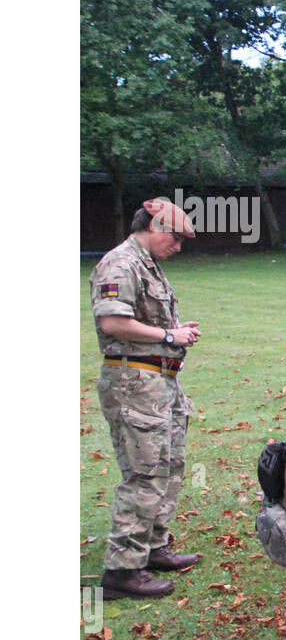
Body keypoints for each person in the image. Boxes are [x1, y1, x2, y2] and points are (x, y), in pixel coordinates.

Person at [90, 198, 203, 600]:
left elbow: (143, 319)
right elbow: (114, 322)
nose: (178, 247)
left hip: (160, 382)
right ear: (155, 227)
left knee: (168, 467)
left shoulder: (148, 265)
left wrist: (172, 329)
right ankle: (122, 570)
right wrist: (169, 336)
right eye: (175, 238)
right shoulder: (120, 264)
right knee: (144, 474)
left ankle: (154, 547)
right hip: (134, 383)